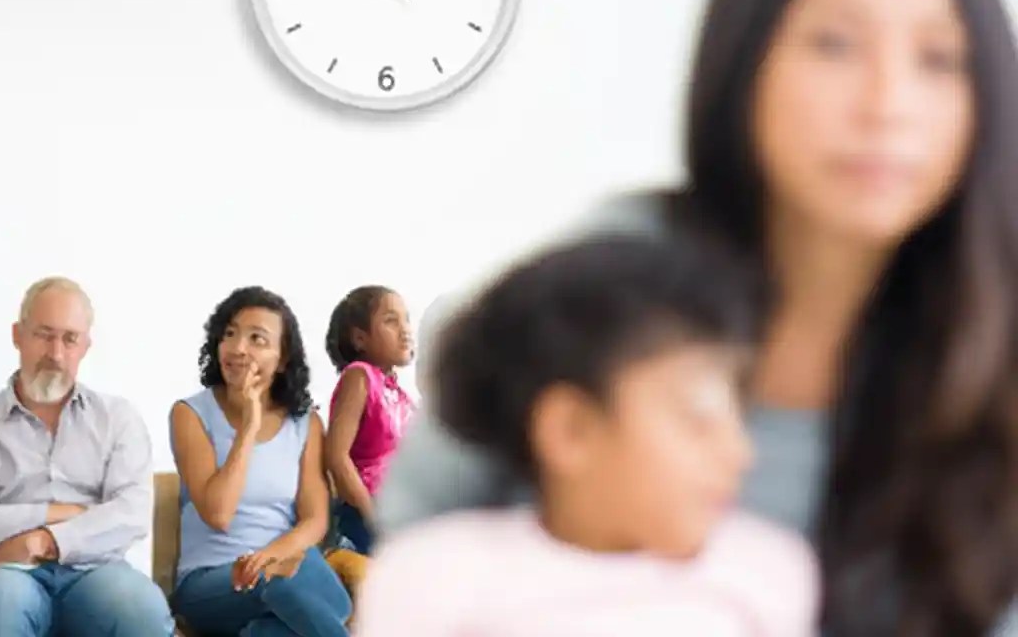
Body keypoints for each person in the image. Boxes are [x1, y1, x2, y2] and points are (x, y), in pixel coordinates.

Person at [377, 0, 1018, 635]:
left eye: (940, 58)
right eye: (835, 43)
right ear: (746, 57)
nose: (888, 105)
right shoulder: (617, 278)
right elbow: (415, 533)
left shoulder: (995, 352)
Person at [357, 236, 818, 636]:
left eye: (739, 419)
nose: (739, 453)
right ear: (571, 430)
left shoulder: (766, 571)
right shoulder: (436, 579)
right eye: (699, 420)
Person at [0, 277, 174, 637]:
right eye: (44, 335)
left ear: (86, 346)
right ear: (17, 335)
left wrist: (45, 541)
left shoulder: (118, 418)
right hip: (7, 573)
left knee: (142, 609)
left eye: (70, 339)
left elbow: (132, 514)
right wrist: (59, 512)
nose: (56, 353)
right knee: (1, 606)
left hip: (96, 571)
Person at [170, 286, 352, 637]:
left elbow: (315, 519)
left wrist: (271, 555)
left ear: (282, 359)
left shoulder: (305, 423)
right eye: (230, 334)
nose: (238, 348)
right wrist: (248, 428)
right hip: (211, 583)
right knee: (296, 589)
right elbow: (219, 514)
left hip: (286, 569)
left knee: (275, 620)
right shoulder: (190, 414)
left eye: (257, 339)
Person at [323, 286, 416, 555]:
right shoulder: (359, 376)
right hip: (365, 515)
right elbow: (337, 456)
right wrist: (374, 517)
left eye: (406, 319)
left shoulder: (401, 395)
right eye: (391, 321)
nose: (405, 330)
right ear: (360, 338)